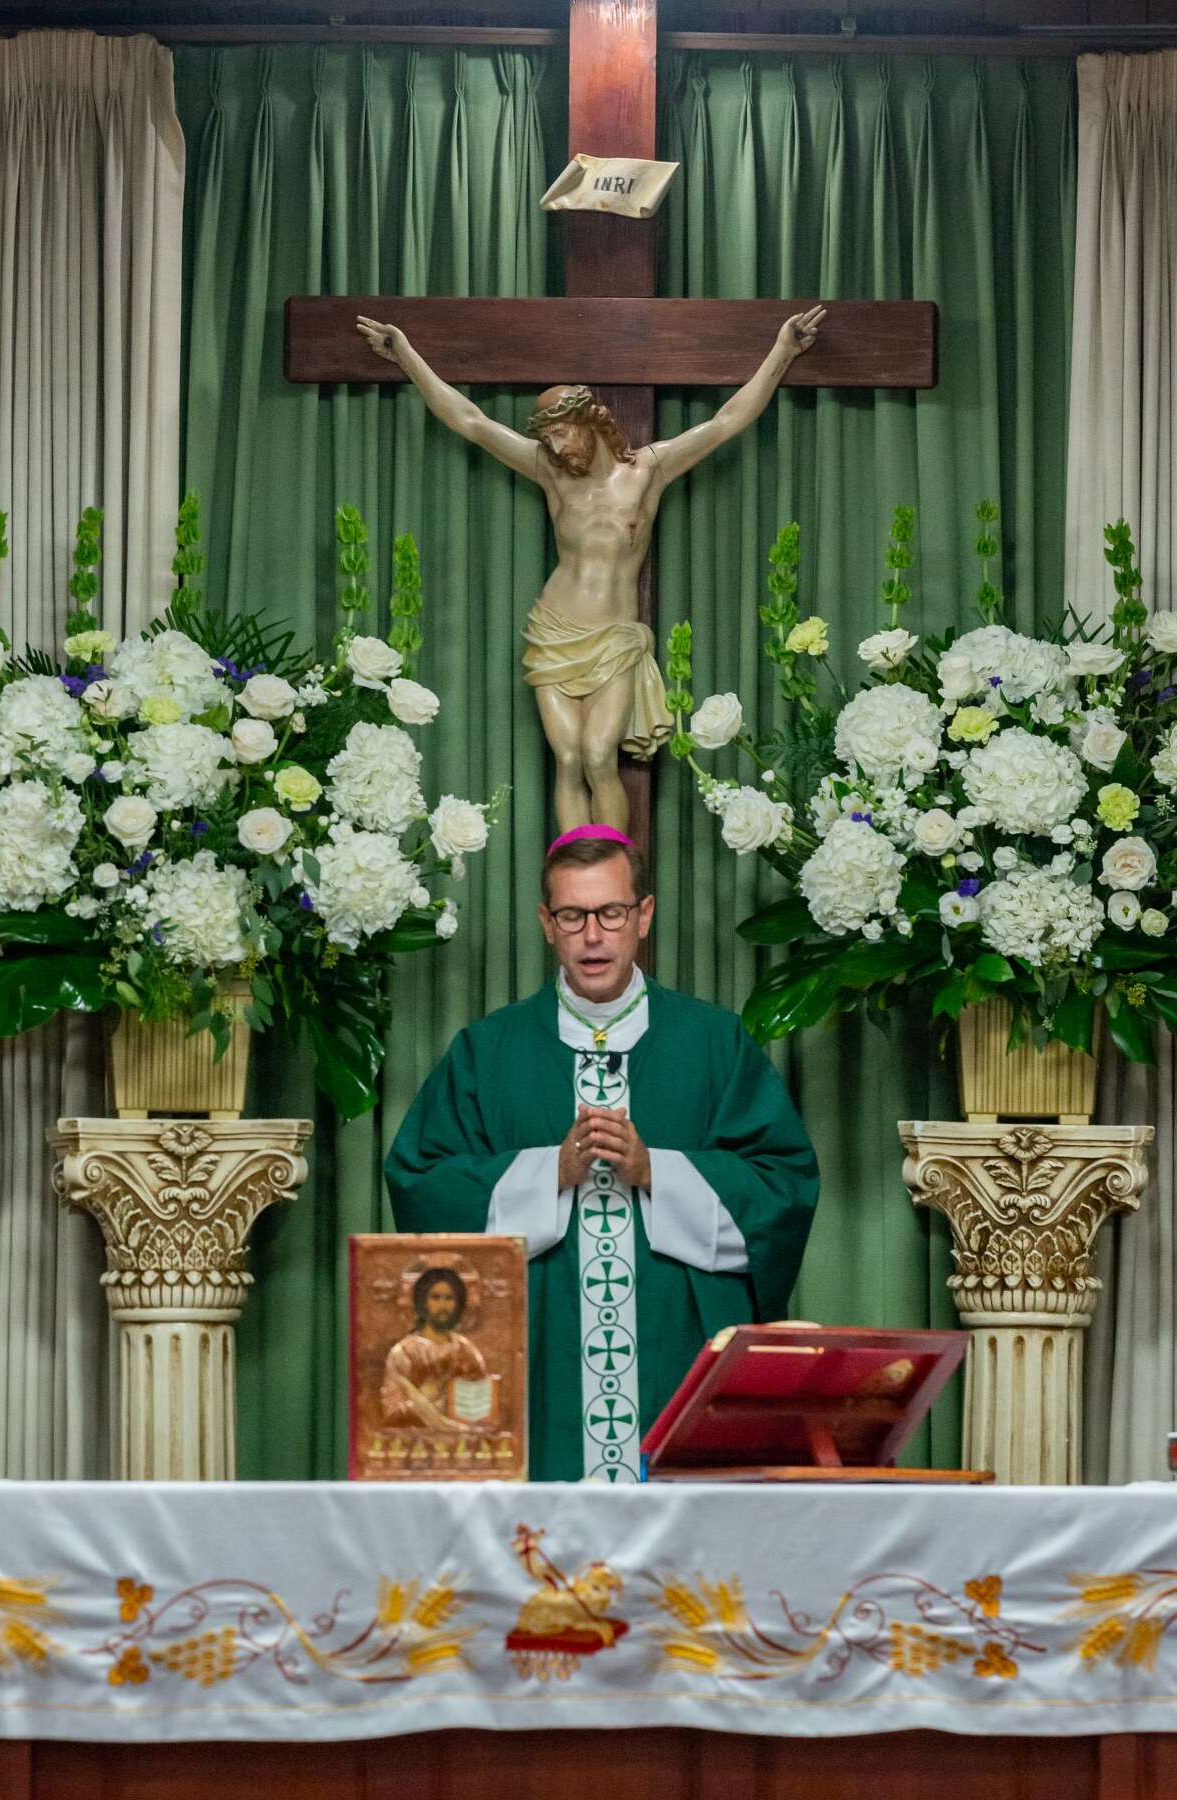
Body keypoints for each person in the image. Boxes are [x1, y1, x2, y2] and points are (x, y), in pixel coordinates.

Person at [385, 826, 819, 1482]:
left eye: (611, 912)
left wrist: (657, 1172)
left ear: (643, 916)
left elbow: (784, 1188)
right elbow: (420, 1186)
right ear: (545, 923)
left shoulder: (713, 1043)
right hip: (534, 1381)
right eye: (572, 915)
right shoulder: (488, 1051)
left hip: (675, 1362)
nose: (593, 935)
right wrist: (547, 1175)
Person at [356, 307, 826, 833]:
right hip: (555, 632)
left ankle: (615, 877)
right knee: (570, 760)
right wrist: (405, 355)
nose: (555, 447)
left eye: (561, 433)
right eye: (548, 438)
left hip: (614, 640)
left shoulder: (649, 469)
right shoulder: (549, 472)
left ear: (589, 421)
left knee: (601, 756)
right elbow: (471, 422)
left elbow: (726, 422)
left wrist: (782, 351)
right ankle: (574, 875)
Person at [379, 1266, 488, 1433]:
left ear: (458, 1304)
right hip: (413, 1443)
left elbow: (481, 1411)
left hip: (461, 1443)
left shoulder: (467, 1352)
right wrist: (421, 1402)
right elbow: (390, 1414)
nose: (443, 1305)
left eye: (449, 1298)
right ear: (423, 1301)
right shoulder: (403, 1353)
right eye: (435, 1297)